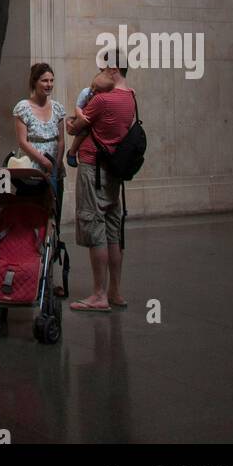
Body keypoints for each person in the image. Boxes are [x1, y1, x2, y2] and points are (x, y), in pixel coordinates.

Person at [66, 59, 136, 312]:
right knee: (112, 230)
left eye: (105, 69)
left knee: (94, 224)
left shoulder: (102, 100)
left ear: (115, 70)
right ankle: (115, 292)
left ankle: (98, 295)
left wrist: (69, 124)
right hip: (113, 170)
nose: (100, 73)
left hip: (93, 167)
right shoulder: (131, 98)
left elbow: (75, 127)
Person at [13, 63, 66, 292]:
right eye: (44, 80)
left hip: (53, 168)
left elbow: (61, 140)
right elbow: (22, 141)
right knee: (31, 217)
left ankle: (49, 274)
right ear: (35, 81)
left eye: (52, 80)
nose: (49, 85)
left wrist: (56, 162)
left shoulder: (58, 109)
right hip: (32, 168)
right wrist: (42, 161)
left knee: (53, 219)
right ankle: (28, 270)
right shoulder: (23, 108)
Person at [66, 69, 114, 166]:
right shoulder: (86, 92)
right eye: (93, 86)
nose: (93, 90)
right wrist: (80, 116)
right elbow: (78, 107)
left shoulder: (106, 98)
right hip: (83, 117)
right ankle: (72, 152)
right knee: (83, 133)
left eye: (98, 90)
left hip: (95, 122)